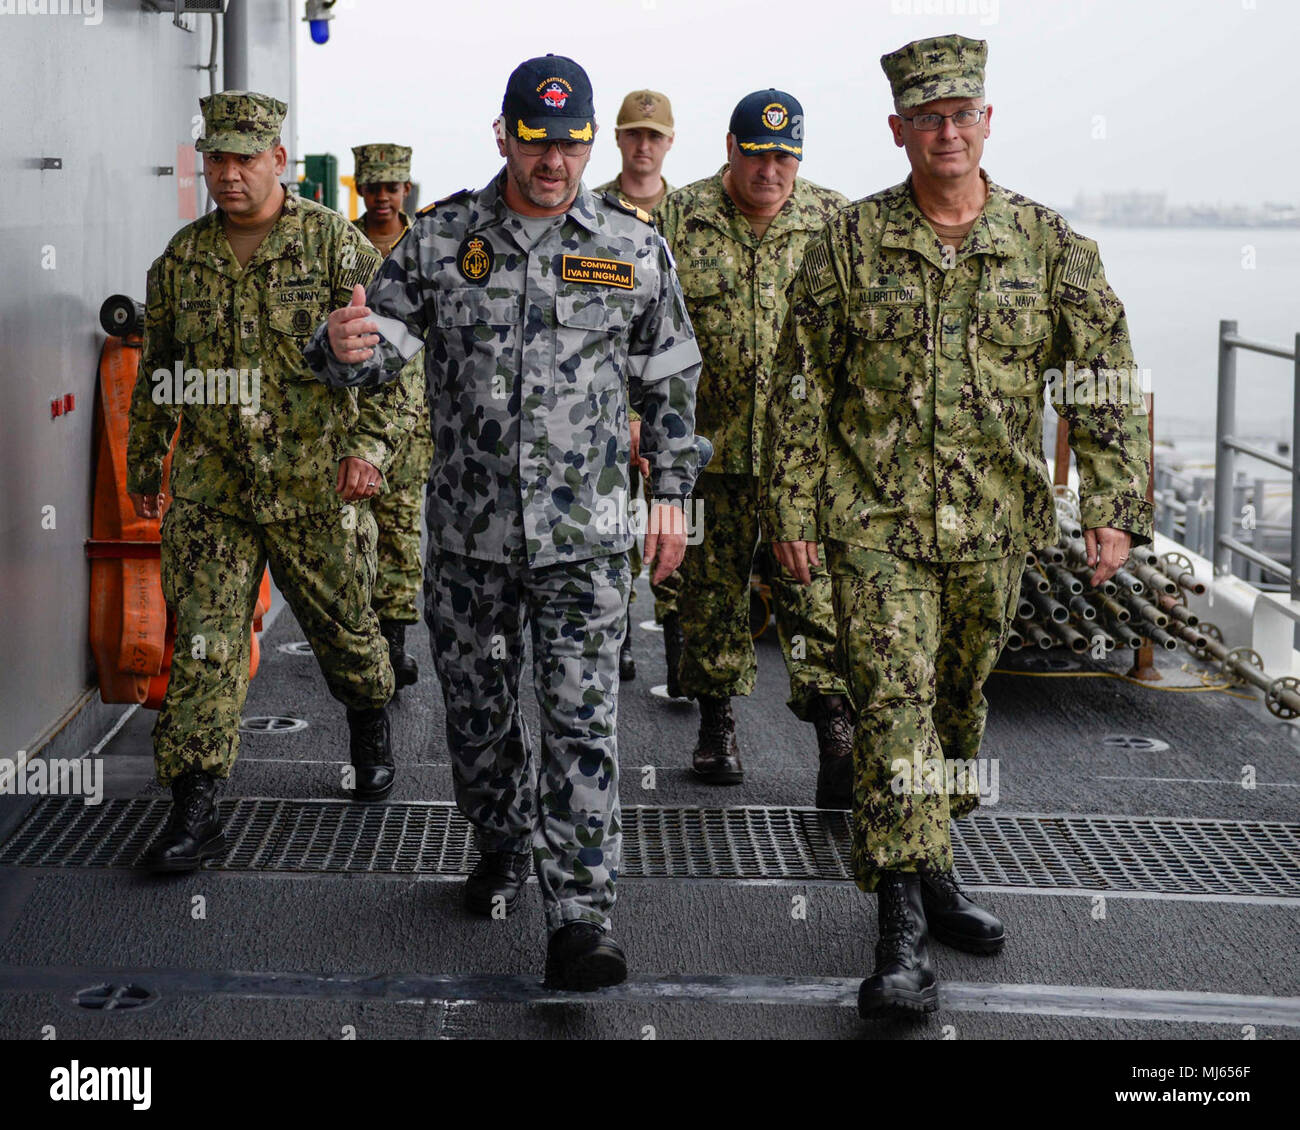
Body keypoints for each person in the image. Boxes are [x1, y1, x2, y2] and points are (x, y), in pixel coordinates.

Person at [765, 36, 1153, 1018]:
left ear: (986, 123)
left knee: (952, 712)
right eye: (925, 117)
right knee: (894, 711)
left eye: (961, 114)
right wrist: (792, 505)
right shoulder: (849, 243)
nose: (945, 131)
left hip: (990, 530)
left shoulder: (1047, 245)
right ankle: (900, 933)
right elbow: (798, 382)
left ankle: (931, 866)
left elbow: (1100, 377)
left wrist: (1110, 504)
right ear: (898, 131)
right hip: (873, 527)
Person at [304, 55, 702, 990]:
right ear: (503, 136)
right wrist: (333, 348)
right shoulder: (442, 241)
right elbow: (374, 353)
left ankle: (580, 915)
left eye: (570, 141)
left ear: (592, 141)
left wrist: (675, 490)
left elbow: (671, 376)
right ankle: (500, 840)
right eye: (536, 139)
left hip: (588, 543)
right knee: (478, 726)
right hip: (470, 541)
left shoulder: (631, 247)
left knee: (582, 722)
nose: (554, 160)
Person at [127, 91, 417, 872]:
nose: (227, 173)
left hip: (315, 487)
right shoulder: (181, 259)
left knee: (347, 634)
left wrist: (371, 450)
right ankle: (195, 809)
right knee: (207, 649)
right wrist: (145, 462)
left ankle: (368, 718)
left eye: (243, 158)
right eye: (215, 158)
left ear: (278, 161)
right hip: (212, 491)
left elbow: (400, 362)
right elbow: (159, 370)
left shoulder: (337, 248)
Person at [657, 89, 854, 806]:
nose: (771, 170)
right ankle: (717, 725)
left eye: (785, 157)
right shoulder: (681, 217)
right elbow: (644, 330)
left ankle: (835, 733)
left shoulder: (834, 222)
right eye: (758, 154)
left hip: (806, 460)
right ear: (731, 150)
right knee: (712, 599)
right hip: (710, 451)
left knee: (815, 593)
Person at [593, 90, 679, 683]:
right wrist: (623, 413)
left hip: (671, 396)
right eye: (633, 134)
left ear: (669, 142)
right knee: (611, 521)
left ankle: (677, 642)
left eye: (654, 135)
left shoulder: (692, 215)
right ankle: (617, 628)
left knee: (676, 521)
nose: (643, 145)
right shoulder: (590, 213)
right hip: (603, 409)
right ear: (618, 139)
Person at [352, 142, 433, 691]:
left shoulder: (424, 242)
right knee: (355, 526)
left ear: (406, 189)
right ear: (361, 188)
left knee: (402, 524)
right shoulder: (342, 243)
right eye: (373, 187)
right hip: (355, 408)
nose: (383, 197)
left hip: (414, 410)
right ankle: (358, 637)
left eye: (392, 187)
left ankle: (396, 642)